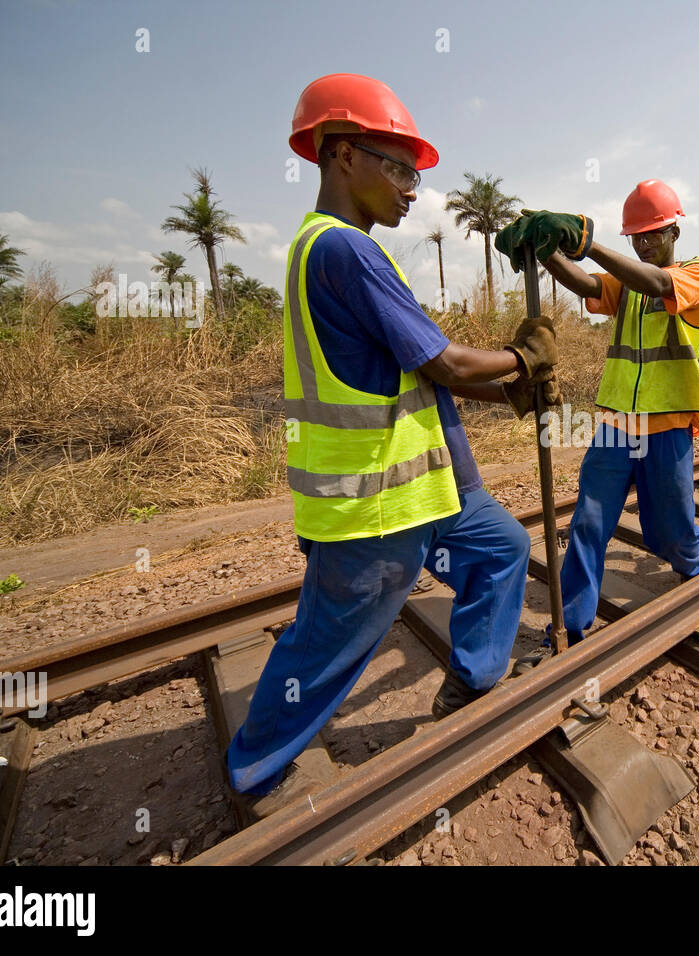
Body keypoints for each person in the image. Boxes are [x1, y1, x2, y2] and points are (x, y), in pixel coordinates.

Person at [225, 73, 556, 817]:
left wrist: (512, 384)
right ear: (343, 155)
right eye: (399, 168)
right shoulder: (343, 251)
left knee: (501, 551)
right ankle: (256, 773)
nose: (413, 189)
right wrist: (523, 359)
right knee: (330, 644)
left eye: (418, 174)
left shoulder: (341, 251)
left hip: (430, 479)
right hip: (375, 500)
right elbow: (442, 362)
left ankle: (470, 682)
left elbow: (420, 371)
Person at [497, 181, 699, 666]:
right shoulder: (629, 285)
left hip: (668, 422)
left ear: (674, 231)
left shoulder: (695, 275)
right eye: (637, 236)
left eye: (652, 235)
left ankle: (693, 573)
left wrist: (586, 239)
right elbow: (588, 285)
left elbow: (658, 284)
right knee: (589, 522)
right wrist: (546, 246)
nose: (644, 243)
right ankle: (572, 624)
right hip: (617, 424)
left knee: (673, 521)